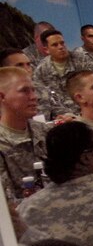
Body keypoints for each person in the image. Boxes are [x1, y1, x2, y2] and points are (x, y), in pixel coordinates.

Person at [32, 29, 93, 120]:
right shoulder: (41, 70)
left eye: (62, 43)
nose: (61, 47)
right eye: (55, 45)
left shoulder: (81, 60)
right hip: (60, 118)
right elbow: (41, 100)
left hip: (88, 112)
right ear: (46, 50)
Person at [0, 67, 48, 196]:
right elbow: (7, 203)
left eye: (33, 90)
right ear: (2, 97)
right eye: (24, 91)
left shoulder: (46, 131)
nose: (34, 97)